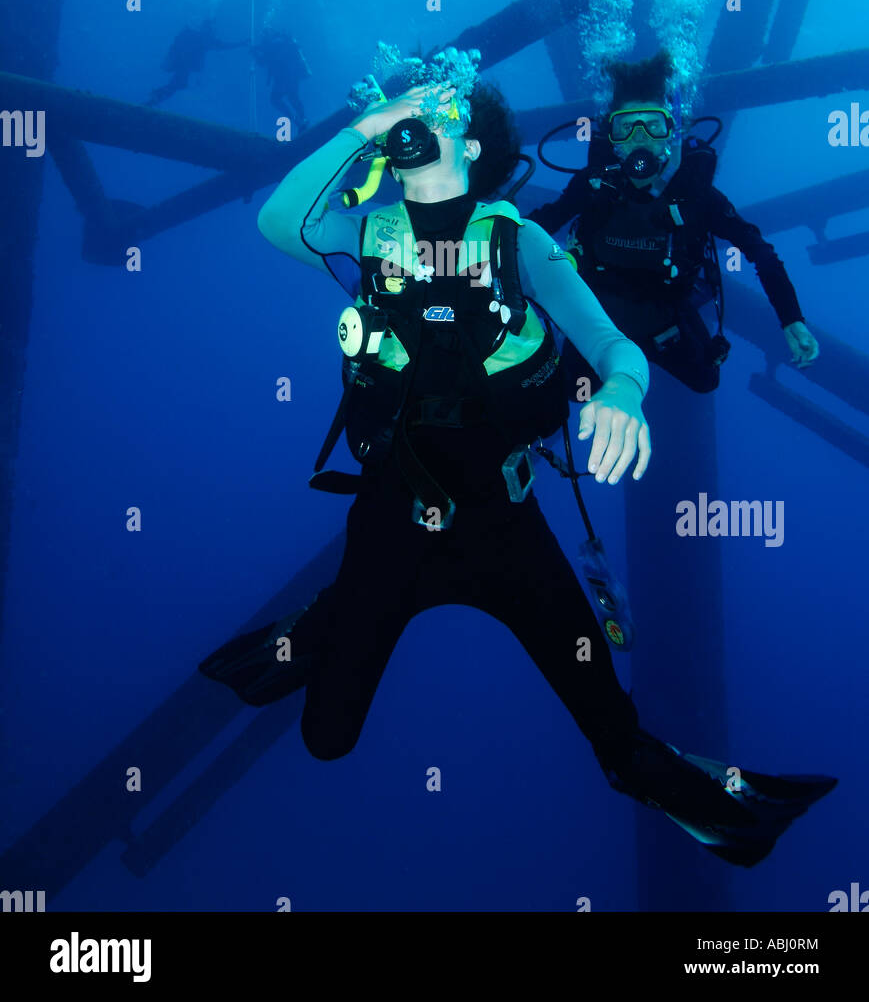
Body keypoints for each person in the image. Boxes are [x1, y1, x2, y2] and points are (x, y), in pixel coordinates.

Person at [200, 52, 834, 866]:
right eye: (409, 122)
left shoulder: (521, 238)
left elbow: (611, 344)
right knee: (326, 742)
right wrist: (366, 125)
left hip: (504, 524)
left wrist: (623, 395)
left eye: (441, 121)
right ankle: (325, 623)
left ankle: (671, 784)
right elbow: (278, 220)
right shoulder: (368, 233)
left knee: (612, 726)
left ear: (471, 152)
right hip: (390, 518)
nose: (420, 129)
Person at [531, 51, 820, 393]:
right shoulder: (594, 187)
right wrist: (484, 234)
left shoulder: (696, 195)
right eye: (627, 127)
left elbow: (760, 251)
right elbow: (540, 224)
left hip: (667, 321)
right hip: (600, 322)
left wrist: (792, 318)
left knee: (706, 382)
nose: (640, 137)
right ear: (612, 136)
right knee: (571, 393)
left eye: (652, 125)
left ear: (671, 131)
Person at [145, 18, 246, 107]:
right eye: (212, 30)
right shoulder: (205, 39)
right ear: (208, 29)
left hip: (182, 64)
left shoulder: (197, 36)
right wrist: (241, 44)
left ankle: (154, 99)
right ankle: (154, 98)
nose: (213, 33)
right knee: (177, 85)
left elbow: (221, 45)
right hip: (184, 65)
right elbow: (222, 46)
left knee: (177, 85)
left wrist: (241, 44)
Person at [252, 25, 312, 132]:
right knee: (291, 98)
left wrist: (254, 52)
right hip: (291, 75)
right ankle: (302, 121)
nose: (263, 38)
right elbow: (266, 57)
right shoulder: (278, 43)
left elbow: (264, 59)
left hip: (286, 76)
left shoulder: (276, 43)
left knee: (278, 99)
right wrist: (256, 51)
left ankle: (300, 121)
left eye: (264, 35)